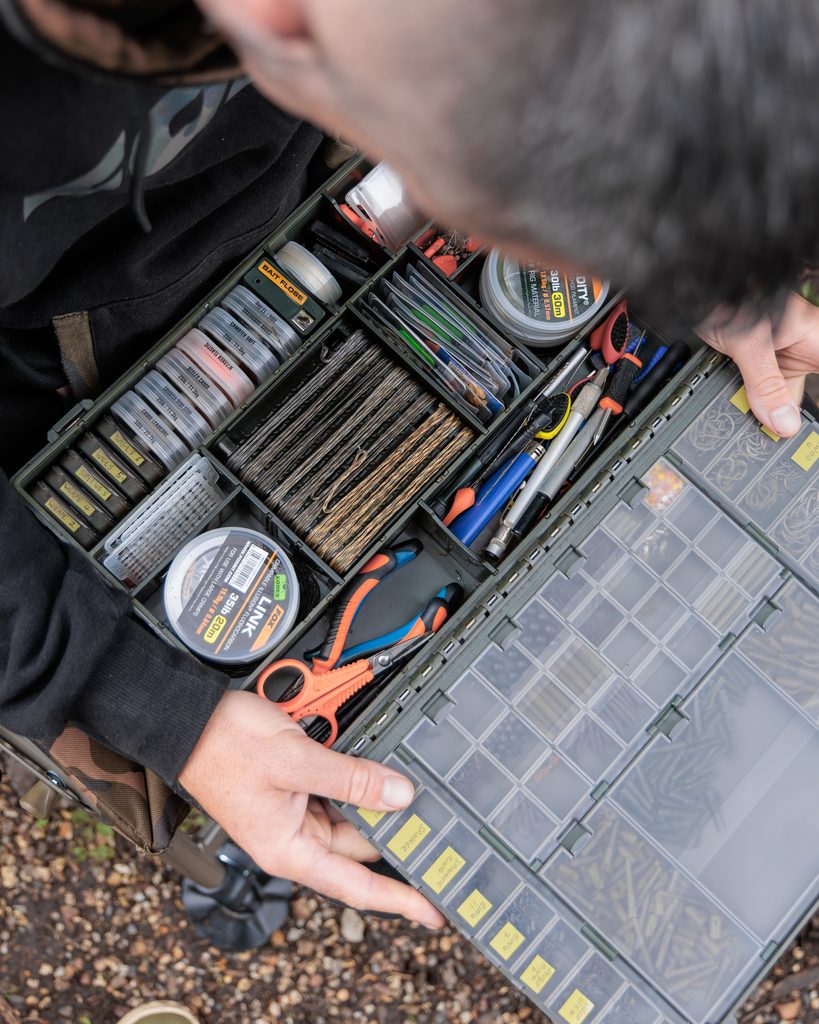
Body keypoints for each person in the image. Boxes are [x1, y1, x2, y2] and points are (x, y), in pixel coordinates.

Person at [1, 0, 817, 931]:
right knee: (190, 758)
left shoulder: (396, 44)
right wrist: (151, 703)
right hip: (62, 415)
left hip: (304, 212)